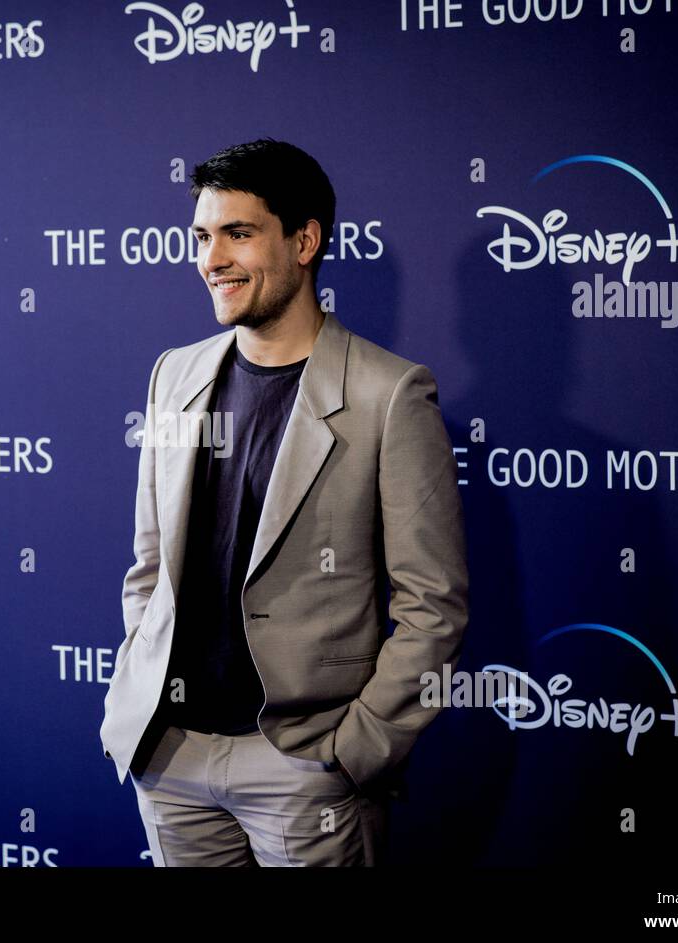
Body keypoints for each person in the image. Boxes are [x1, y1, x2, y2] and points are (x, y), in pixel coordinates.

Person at [100, 138, 469, 866]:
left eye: (239, 234)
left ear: (305, 241)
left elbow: (435, 602)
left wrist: (353, 752)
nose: (213, 259)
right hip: (169, 757)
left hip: (302, 770)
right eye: (203, 236)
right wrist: (138, 691)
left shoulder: (388, 394)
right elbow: (151, 564)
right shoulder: (174, 376)